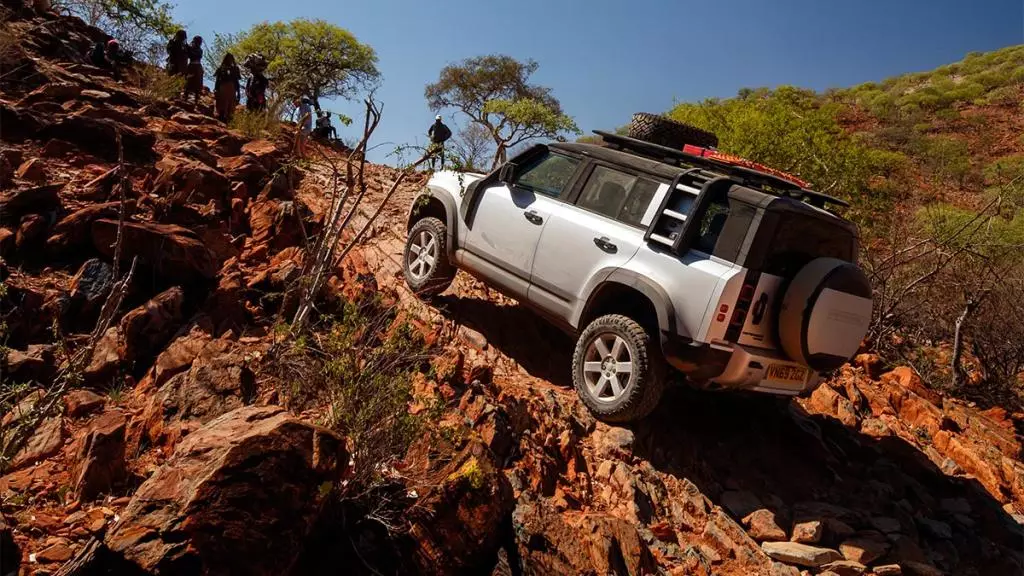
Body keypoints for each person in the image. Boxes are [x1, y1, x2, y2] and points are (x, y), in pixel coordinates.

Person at [213, 53, 241, 122]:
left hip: (232, 88)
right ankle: (221, 119)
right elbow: (217, 80)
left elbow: (236, 81)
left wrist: (238, 93)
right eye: (228, 59)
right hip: (223, 88)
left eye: (231, 59)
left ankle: (229, 122)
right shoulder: (221, 69)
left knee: (231, 106)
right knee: (222, 104)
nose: (229, 60)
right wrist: (216, 89)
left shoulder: (235, 69)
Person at [183, 36, 204, 105]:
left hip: (195, 66)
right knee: (189, 82)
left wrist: (188, 48)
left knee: (196, 83)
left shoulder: (199, 50)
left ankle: (196, 99)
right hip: (194, 66)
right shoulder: (192, 48)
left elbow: (193, 55)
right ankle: (186, 97)